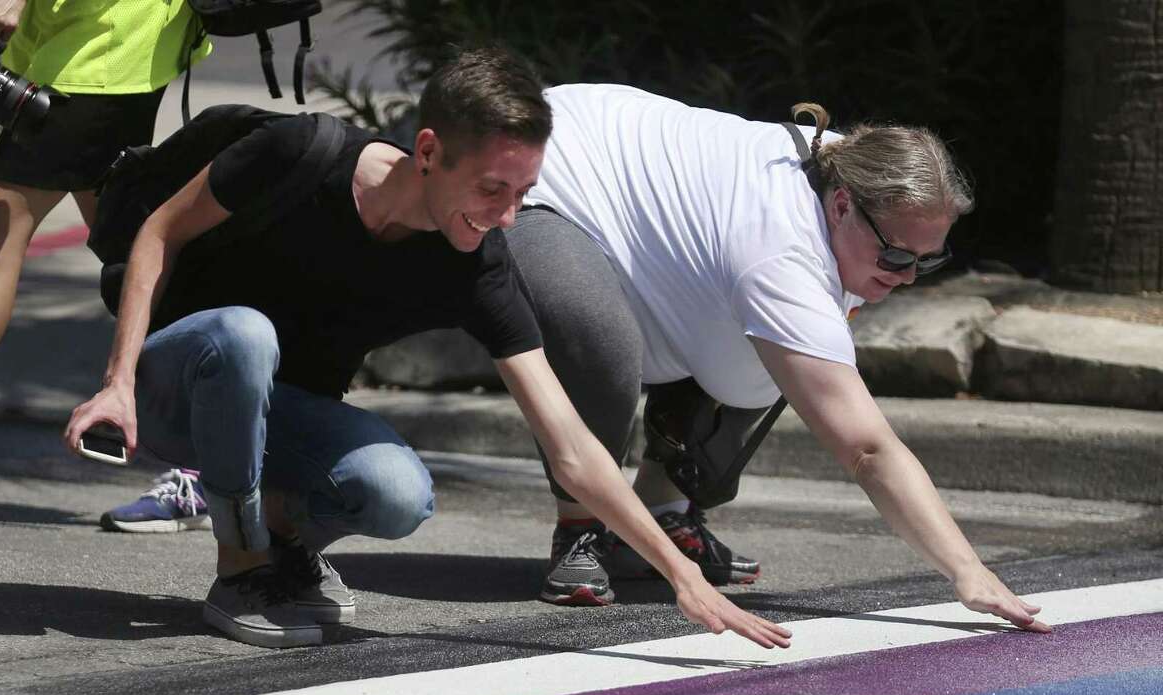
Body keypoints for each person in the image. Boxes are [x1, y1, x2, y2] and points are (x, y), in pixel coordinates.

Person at [64, 47, 790, 652]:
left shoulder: (477, 263)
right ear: (430, 150)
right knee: (245, 333)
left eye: (524, 190)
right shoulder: (300, 151)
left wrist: (679, 574)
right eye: (491, 188)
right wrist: (119, 380)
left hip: (281, 413)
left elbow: (569, 443)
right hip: (176, 383)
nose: (507, 213)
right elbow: (160, 231)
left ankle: (283, 541)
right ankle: (242, 570)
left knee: (397, 492)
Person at [504, 83, 1046, 631]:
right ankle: (582, 527)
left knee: (782, 360)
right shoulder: (779, 250)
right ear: (841, 207)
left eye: (927, 262)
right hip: (546, 174)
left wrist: (891, 255)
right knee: (598, 335)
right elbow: (866, 449)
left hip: (645, 231)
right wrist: (966, 571)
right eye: (896, 255)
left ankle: (662, 512)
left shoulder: (853, 171)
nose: (907, 276)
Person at [0, 0, 208, 398]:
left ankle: (232, 398)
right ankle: (232, 396)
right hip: (77, 36)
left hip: (102, 44)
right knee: (128, 241)